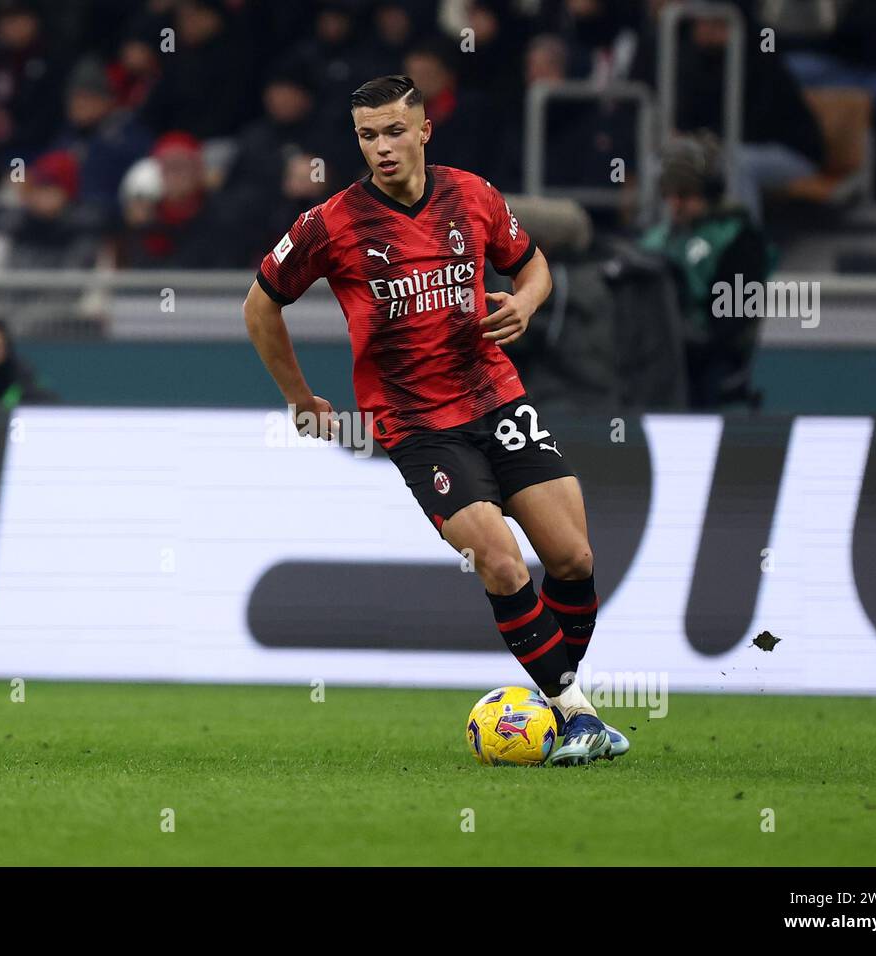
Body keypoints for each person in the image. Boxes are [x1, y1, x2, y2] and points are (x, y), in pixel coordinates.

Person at [243, 74, 628, 766]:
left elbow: (533, 264)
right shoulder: (330, 225)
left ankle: (557, 706)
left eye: (394, 131)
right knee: (503, 564)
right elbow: (260, 304)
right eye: (367, 136)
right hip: (417, 425)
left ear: (424, 130)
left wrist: (527, 303)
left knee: (573, 559)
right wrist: (300, 398)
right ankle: (577, 716)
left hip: (499, 398)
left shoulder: (472, 195)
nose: (382, 148)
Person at [639, 133, 772, 409]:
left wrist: (687, 343)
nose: (675, 204)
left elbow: (734, 321)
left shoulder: (739, 240)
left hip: (711, 361)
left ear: (710, 192)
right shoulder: (655, 239)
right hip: (655, 357)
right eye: (669, 195)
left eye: (685, 195)